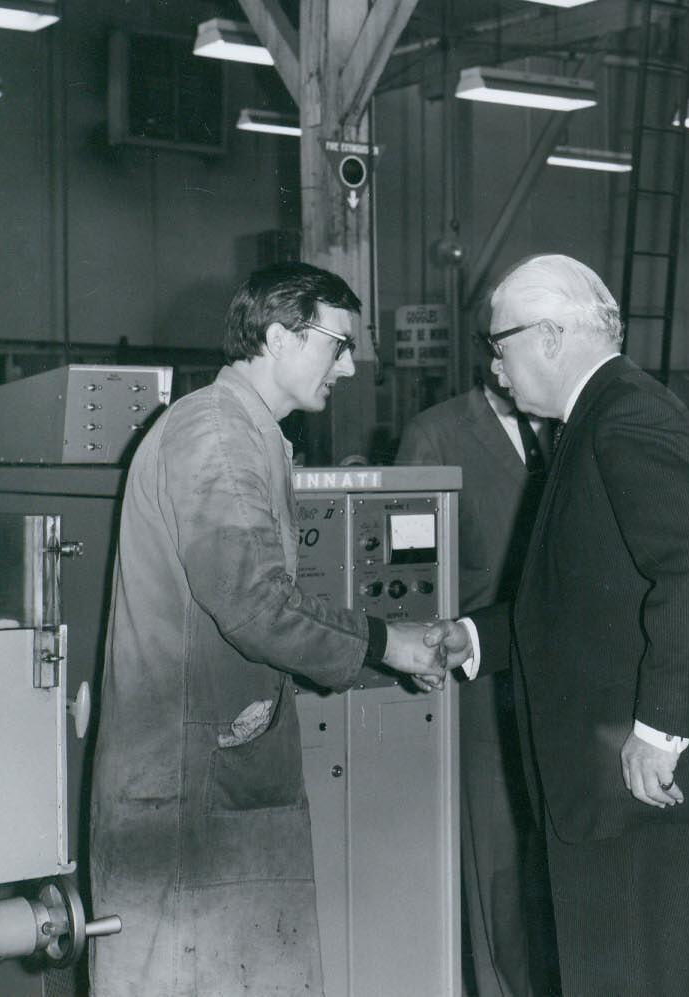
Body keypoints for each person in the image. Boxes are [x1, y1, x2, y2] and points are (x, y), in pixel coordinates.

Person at [89, 262, 466, 997]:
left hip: (213, 793)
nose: (350, 366)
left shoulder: (248, 435)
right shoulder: (218, 436)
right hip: (188, 809)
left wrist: (382, 656)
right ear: (275, 335)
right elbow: (259, 607)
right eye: (337, 344)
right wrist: (391, 642)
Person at [428, 253, 689, 996]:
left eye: (502, 346)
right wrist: (477, 638)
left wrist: (660, 728)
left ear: (553, 335)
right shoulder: (600, 418)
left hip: (635, 783)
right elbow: (592, 597)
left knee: (627, 979)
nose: (497, 370)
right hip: (616, 779)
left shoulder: (623, 416)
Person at [396, 333, 557, 997]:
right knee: (496, 870)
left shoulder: (569, 427)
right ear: (491, 356)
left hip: (558, 679)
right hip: (482, 681)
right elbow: (406, 576)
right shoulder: (435, 434)